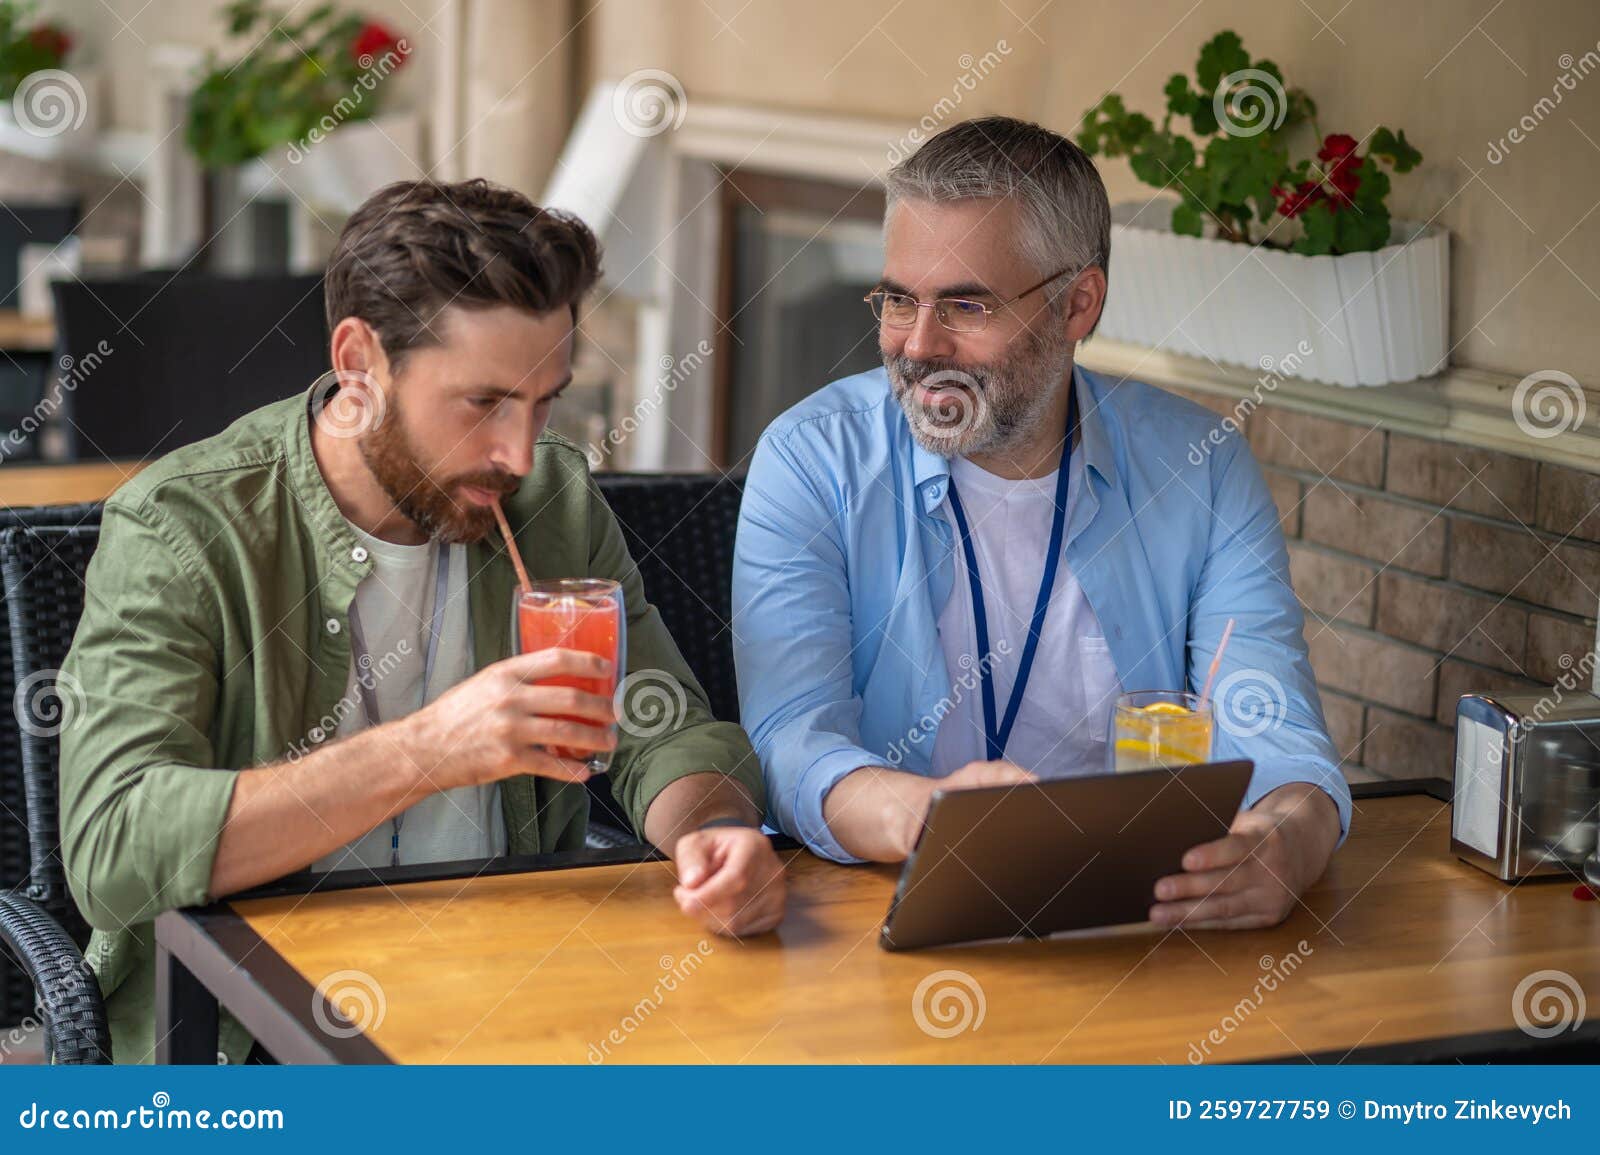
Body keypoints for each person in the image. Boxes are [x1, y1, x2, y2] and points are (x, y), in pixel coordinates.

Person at [59, 178, 785, 1064]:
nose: (519, 453)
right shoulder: (184, 527)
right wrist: (429, 749)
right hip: (257, 1035)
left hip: (525, 1000)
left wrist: (711, 828)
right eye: (483, 403)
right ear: (361, 360)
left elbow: (660, 727)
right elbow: (113, 847)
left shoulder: (549, 496)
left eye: (546, 400)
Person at [733, 116, 1349, 931]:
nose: (918, 346)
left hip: (1148, 922)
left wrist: (1286, 842)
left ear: (1076, 304)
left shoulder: (1202, 463)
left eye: (966, 304)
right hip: (888, 919)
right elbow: (789, 742)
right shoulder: (812, 459)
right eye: (898, 300)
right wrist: (931, 816)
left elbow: (1279, 736)